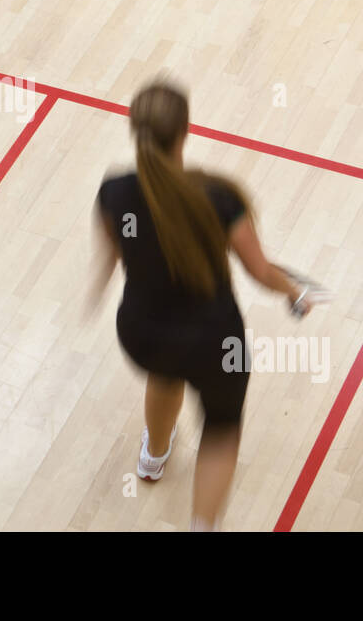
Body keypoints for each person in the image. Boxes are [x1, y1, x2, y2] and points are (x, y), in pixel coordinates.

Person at [90, 79, 321, 531]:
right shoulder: (218, 197)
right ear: (186, 131)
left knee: (165, 375)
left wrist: (96, 289)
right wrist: (294, 291)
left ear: (135, 131)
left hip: (142, 331)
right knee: (220, 430)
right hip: (217, 346)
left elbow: (113, 251)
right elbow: (260, 271)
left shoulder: (114, 193)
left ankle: (153, 458)